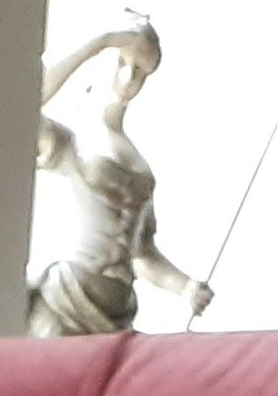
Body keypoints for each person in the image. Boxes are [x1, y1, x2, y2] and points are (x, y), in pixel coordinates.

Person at [28, 21, 215, 337]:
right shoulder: (73, 139)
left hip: (117, 317)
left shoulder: (138, 160)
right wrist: (98, 43)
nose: (129, 78)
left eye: (140, 70)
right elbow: (24, 108)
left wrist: (185, 287)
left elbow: (141, 253)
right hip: (68, 305)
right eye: (121, 62)